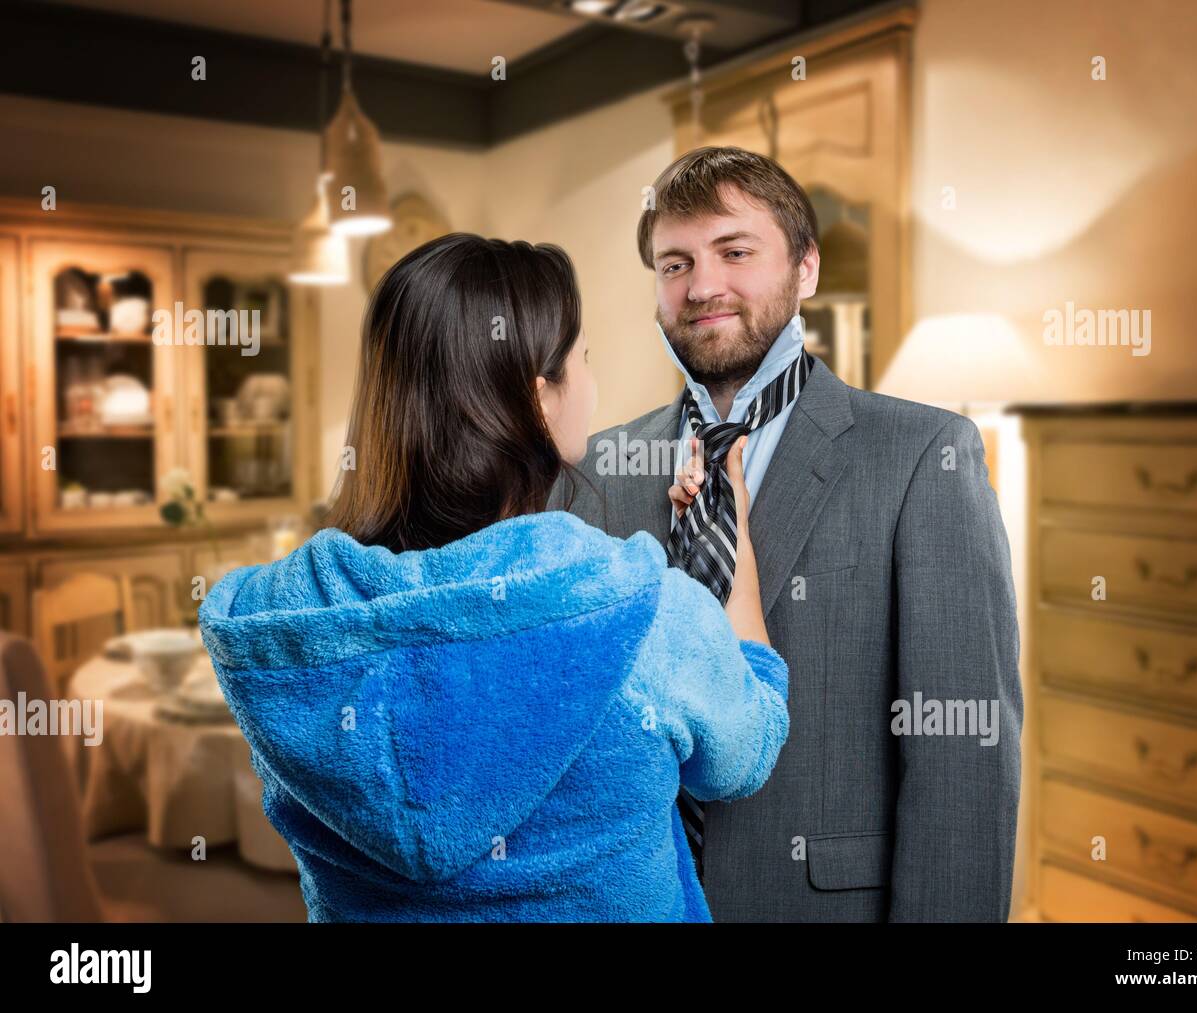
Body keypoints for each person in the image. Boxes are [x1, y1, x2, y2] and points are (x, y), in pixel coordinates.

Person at [198, 233, 789, 922]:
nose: (593, 384)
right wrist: (735, 562)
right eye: (584, 360)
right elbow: (746, 751)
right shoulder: (639, 610)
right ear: (540, 402)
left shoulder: (288, 628)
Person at [552, 146, 1022, 922]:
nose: (703, 286)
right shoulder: (599, 466)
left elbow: (962, 765)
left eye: (735, 251)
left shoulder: (923, 456)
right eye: (675, 264)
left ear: (806, 268)